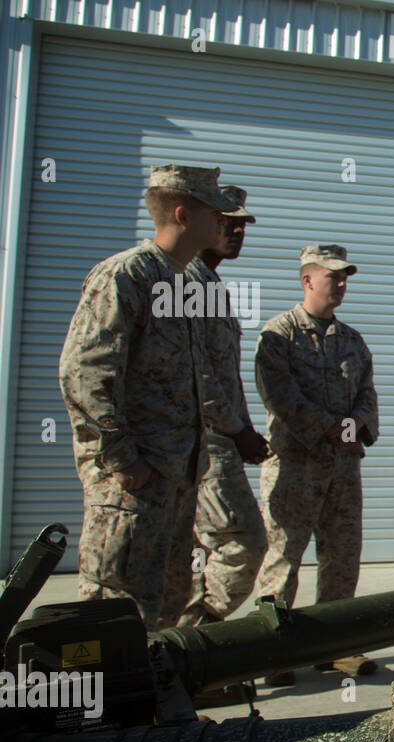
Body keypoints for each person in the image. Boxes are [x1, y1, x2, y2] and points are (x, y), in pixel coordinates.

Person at [59, 164, 238, 631]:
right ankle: (113, 706)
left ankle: (158, 704)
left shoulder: (190, 285)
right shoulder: (125, 275)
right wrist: (121, 456)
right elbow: (83, 371)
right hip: (133, 487)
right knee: (115, 609)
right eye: (213, 212)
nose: (223, 221)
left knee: (167, 600)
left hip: (178, 480)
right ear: (182, 214)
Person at [253, 244, 379, 684]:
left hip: (342, 469)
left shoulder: (352, 340)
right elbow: (281, 398)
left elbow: (367, 396)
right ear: (308, 280)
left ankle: (335, 648)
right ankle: (273, 650)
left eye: (345, 277)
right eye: (333, 277)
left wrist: (352, 427)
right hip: (294, 466)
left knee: (342, 558)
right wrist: (329, 428)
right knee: (282, 559)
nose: (342, 285)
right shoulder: (278, 335)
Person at [172, 186, 270, 628]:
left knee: (198, 550)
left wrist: (243, 429)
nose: (235, 232)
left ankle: (189, 654)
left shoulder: (210, 284)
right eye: (227, 222)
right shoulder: (189, 282)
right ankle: (196, 637)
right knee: (243, 542)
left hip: (215, 439)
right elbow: (197, 372)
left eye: (242, 225)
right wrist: (237, 431)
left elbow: (221, 373)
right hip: (205, 442)